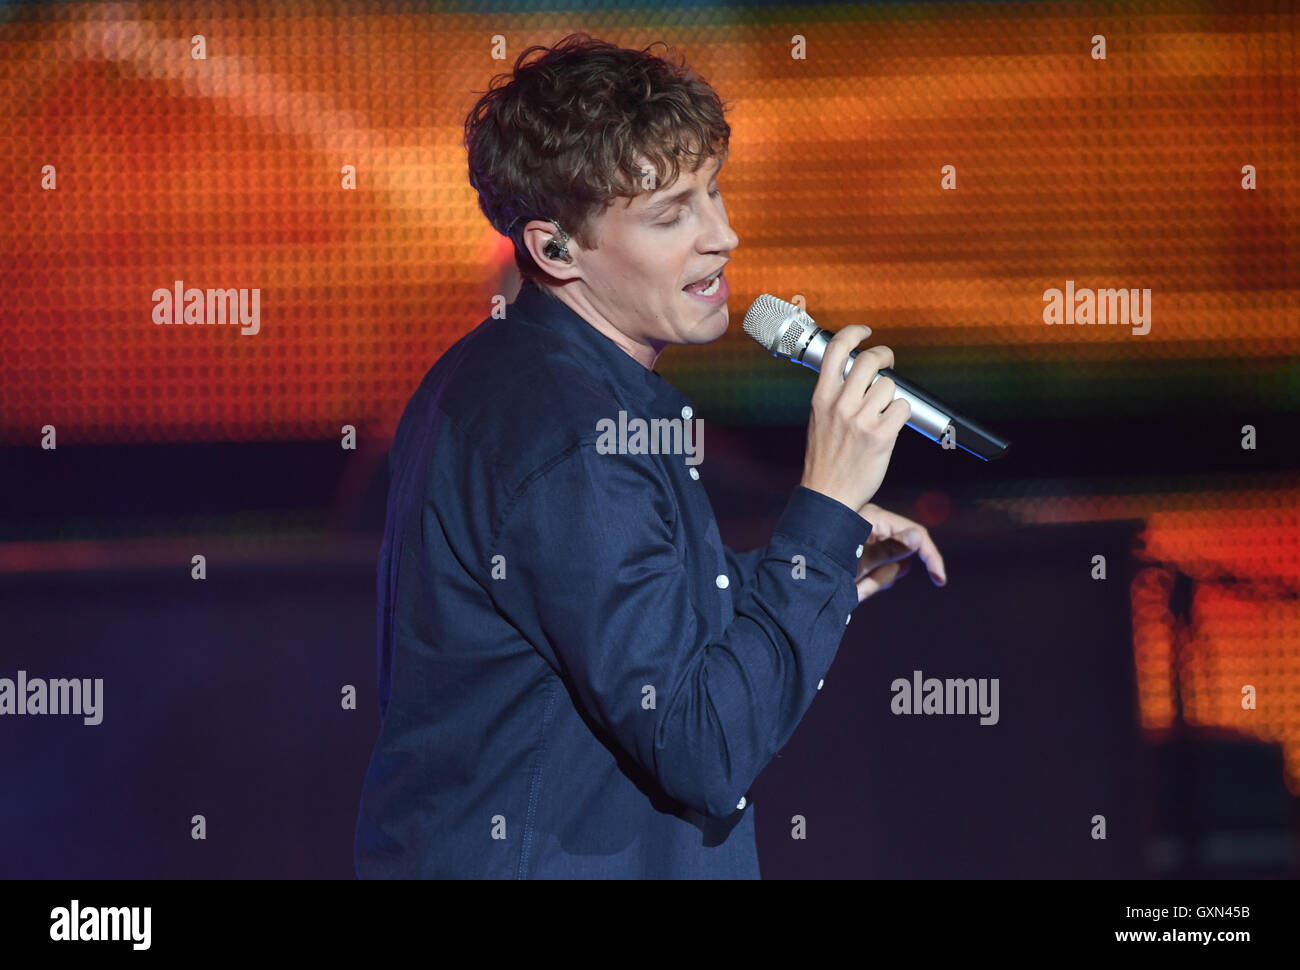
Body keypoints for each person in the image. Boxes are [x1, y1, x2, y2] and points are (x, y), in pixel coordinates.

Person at [354, 32, 946, 879]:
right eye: (672, 214)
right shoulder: (571, 434)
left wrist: (802, 568)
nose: (723, 236)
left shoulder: (528, 381)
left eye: (713, 194)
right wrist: (822, 511)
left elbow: (591, 620)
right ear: (554, 249)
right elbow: (703, 745)